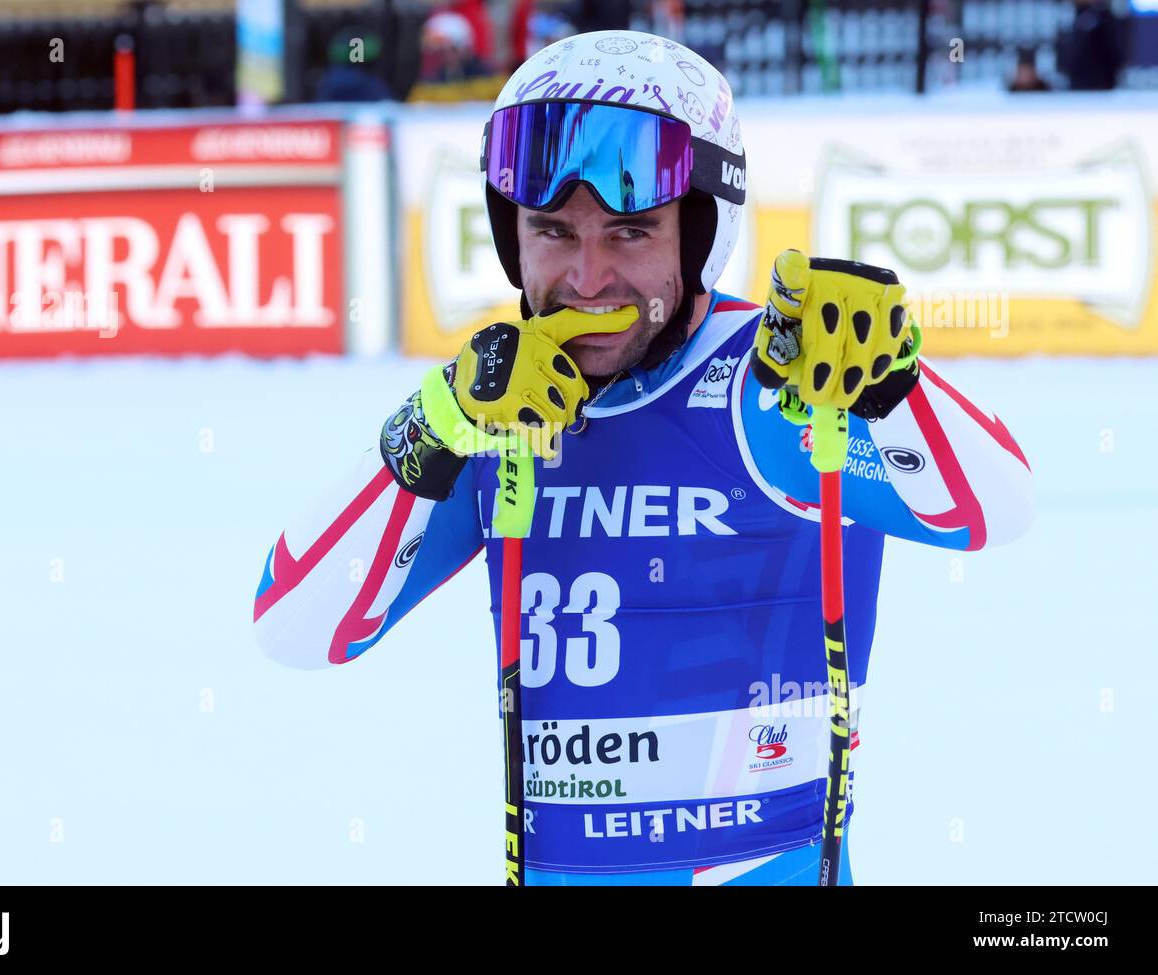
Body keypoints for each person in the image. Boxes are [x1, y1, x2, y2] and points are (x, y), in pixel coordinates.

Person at [254, 30, 1035, 885]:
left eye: (630, 233)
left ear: (700, 233)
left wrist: (892, 388)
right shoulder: (493, 407)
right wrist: (432, 423)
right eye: (553, 230)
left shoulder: (774, 384)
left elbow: (998, 512)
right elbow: (297, 626)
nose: (588, 279)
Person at [1058, 0, 1127, 91]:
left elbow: (1115, 53)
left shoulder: (1104, 17)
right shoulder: (1073, 15)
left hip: (1100, 87)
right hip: (1075, 86)